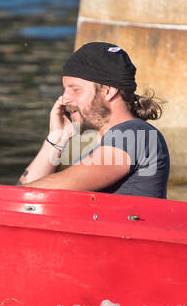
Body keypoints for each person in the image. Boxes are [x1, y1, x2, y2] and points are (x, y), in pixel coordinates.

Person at [18, 42, 169, 198]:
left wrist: (1, 196)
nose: (64, 99)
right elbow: (19, 201)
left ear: (108, 91)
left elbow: (26, 195)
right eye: (65, 89)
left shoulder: (136, 134)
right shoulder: (108, 145)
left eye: (75, 89)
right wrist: (56, 139)